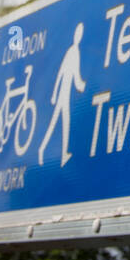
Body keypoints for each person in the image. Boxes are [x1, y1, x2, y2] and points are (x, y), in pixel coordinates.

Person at [38, 22, 86, 167]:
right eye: (78, 33)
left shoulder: (74, 51)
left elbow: (73, 74)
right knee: (57, 123)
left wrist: (79, 84)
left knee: (60, 122)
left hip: (64, 94)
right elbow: (63, 73)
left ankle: (55, 151)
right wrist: (55, 93)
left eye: (80, 34)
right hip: (63, 95)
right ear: (76, 35)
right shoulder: (73, 52)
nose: (79, 36)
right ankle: (42, 150)